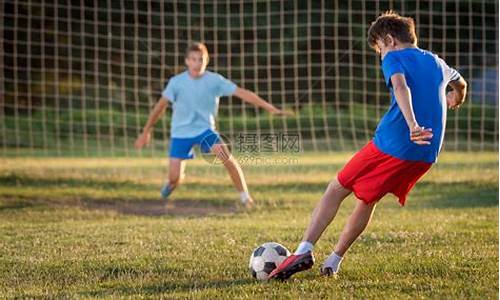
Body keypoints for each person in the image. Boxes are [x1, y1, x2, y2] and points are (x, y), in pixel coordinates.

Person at [269, 11, 467, 280]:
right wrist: (456, 96)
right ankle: (334, 261)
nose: (381, 54)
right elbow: (461, 83)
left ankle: (304, 250)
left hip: (393, 144)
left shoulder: (393, 57)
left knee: (336, 188)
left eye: (380, 48)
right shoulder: (437, 62)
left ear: (389, 40)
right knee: (367, 199)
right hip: (425, 155)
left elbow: (400, 87)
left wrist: (412, 125)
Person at [135, 42, 291, 208]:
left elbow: (242, 93)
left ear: (206, 61)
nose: (197, 63)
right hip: (180, 133)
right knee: (174, 178)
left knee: (226, 157)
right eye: (193, 59)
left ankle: (246, 198)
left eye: (200, 59)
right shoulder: (176, 82)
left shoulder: (215, 80)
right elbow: (159, 107)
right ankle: (170, 186)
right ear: (187, 61)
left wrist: (269, 107)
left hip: (205, 130)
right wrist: (146, 131)